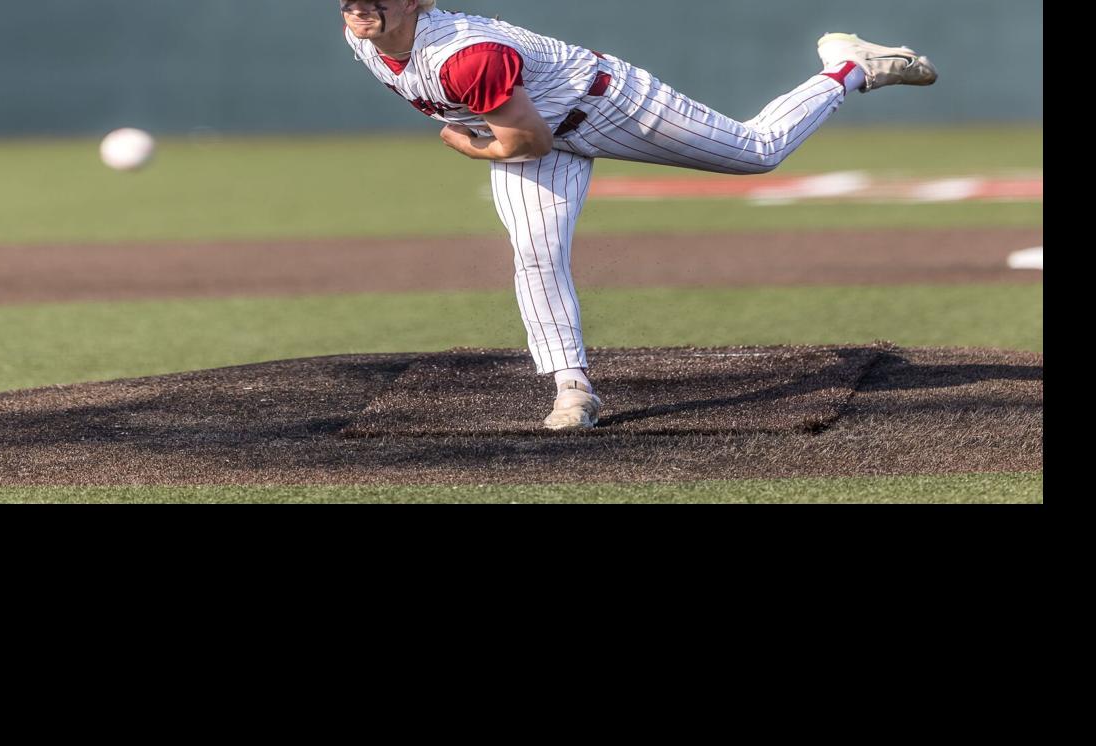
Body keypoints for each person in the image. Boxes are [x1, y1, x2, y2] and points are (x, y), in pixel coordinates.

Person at [339, 1, 937, 429]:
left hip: (605, 102)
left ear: (418, 1)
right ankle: (572, 390)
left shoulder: (467, 55)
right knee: (534, 252)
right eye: (349, 0)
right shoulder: (362, 37)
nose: (360, 8)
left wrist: (465, 143)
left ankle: (849, 67)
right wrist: (478, 134)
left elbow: (528, 142)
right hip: (533, 129)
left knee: (758, 152)